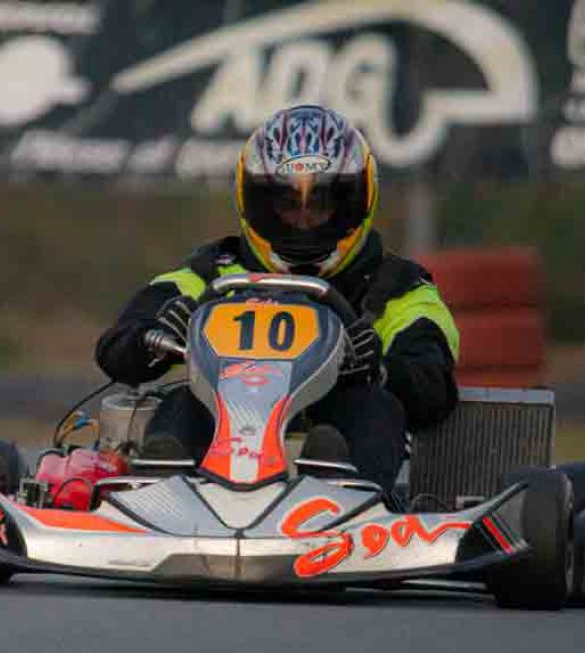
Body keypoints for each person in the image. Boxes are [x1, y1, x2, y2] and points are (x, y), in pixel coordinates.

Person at [95, 105, 459, 492]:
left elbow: (434, 384)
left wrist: (382, 370)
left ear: (354, 202)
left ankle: (338, 498)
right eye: (288, 204)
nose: (303, 221)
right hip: (222, 427)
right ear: (257, 202)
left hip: (338, 431)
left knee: (375, 408)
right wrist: (155, 336)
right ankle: (163, 496)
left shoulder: (397, 288)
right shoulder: (212, 275)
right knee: (183, 402)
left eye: (319, 204)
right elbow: (115, 349)